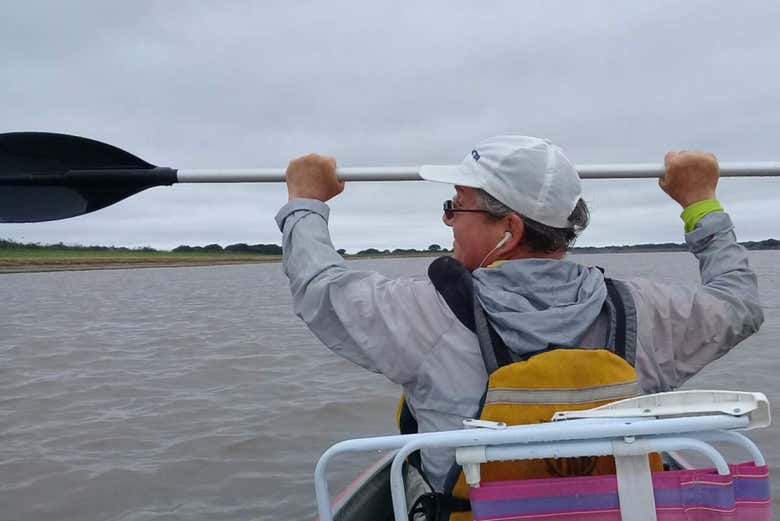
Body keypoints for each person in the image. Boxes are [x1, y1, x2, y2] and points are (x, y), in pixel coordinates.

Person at [274, 136, 763, 495]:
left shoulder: (421, 313)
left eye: (454, 207)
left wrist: (305, 203)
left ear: (507, 229)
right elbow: (738, 304)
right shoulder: (648, 311)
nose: (447, 221)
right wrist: (701, 204)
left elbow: (320, 286)